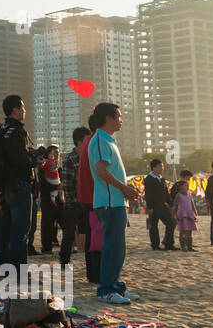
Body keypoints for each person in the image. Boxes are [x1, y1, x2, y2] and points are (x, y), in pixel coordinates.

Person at [88, 102, 140, 305]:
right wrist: (124, 188)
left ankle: (115, 286)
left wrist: (126, 190)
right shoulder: (100, 139)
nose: (121, 120)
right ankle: (105, 290)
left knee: (118, 247)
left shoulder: (108, 140)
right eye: (118, 116)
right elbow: (101, 171)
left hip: (116, 202)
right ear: (108, 118)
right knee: (112, 246)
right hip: (109, 202)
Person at [0, 95, 34, 271]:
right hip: (20, 184)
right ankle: (18, 271)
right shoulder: (17, 130)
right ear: (15, 110)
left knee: (5, 229)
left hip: (5, 185)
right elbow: (20, 159)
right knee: (20, 230)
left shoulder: (1, 130)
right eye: (23, 107)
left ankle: (3, 268)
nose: (25, 110)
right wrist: (35, 160)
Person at [58, 127, 88, 268]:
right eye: (87, 140)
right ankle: (64, 261)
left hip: (88, 201)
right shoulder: (69, 159)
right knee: (69, 234)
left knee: (89, 232)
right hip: (73, 202)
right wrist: (74, 201)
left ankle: (91, 261)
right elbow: (67, 183)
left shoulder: (90, 156)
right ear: (78, 142)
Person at [144, 159, 177, 251]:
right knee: (153, 226)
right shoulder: (149, 179)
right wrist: (149, 207)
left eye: (162, 166)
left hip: (163, 205)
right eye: (160, 166)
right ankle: (155, 245)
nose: (162, 168)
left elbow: (166, 193)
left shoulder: (162, 179)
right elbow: (148, 194)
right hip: (154, 206)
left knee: (171, 223)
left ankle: (169, 244)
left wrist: (170, 204)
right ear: (153, 167)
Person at [38, 146, 62, 253]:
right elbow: (43, 184)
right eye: (54, 153)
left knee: (57, 221)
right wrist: (56, 187)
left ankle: (54, 241)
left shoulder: (57, 168)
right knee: (47, 222)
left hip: (57, 198)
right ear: (48, 154)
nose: (56, 155)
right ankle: (46, 246)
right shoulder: (43, 167)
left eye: (58, 153)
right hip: (46, 198)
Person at [173, 179, 197, 251]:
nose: (187, 186)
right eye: (185, 185)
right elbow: (175, 205)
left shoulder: (189, 196)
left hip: (190, 215)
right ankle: (183, 246)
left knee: (189, 231)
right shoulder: (178, 195)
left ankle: (189, 246)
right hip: (182, 215)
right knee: (182, 230)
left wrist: (195, 213)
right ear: (180, 187)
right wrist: (174, 215)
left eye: (187, 185)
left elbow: (192, 205)